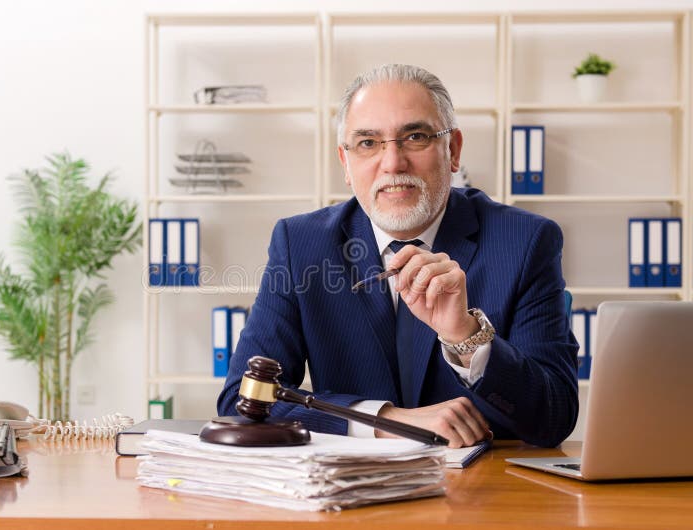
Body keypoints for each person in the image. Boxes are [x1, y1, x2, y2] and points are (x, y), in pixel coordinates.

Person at [217, 64, 578, 448]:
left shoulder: (525, 241)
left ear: (452, 150)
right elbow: (244, 399)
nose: (392, 163)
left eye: (416, 136)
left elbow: (554, 417)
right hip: (349, 492)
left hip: (482, 493)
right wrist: (385, 420)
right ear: (346, 163)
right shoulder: (300, 243)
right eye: (368, 143)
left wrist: (466, 338)